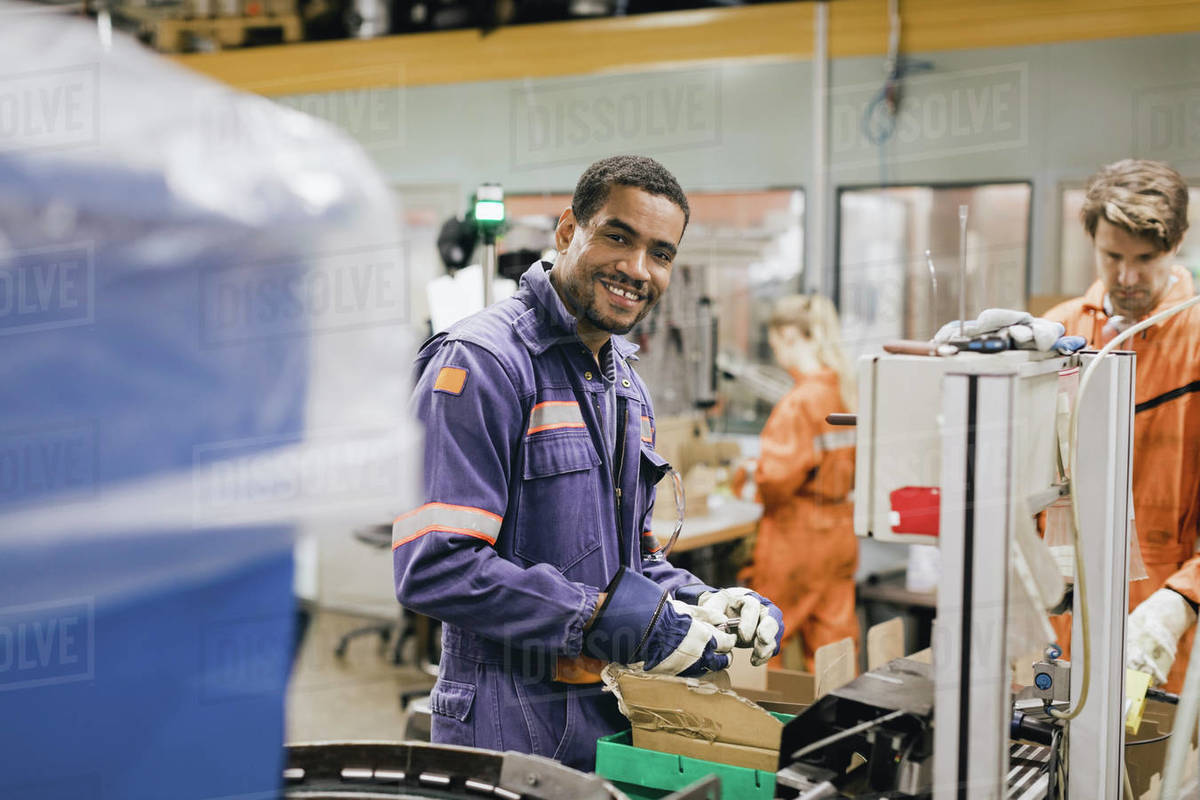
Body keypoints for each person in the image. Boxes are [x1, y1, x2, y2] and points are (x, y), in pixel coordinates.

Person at [392, 155, 784, 771]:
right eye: (619, 238)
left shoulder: (623, 384)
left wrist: (702, 602)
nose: (638, 269)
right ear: (568, 230)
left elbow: (630, 565)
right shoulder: (482, 363)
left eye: (661, 253)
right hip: (505, 718)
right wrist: (611, 619)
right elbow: (436, 567)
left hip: (609, 713)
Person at [1045, 158, 1200, 692]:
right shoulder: (1059, 333)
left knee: (1151, 743)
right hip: (1065, 615)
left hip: (1166, 623)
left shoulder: (1196, 342)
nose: (1128, 278)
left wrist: (1181, 602)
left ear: (1176, 245)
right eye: (1113, 256)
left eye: (1146, 258)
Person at [737, 295, 859, 672]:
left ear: (790, 336)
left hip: (797, 539)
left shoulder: (799, 403)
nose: (777, 354)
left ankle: (759, 713)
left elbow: (775, 480)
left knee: (763, 639)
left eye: (775, 344)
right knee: (835, 650)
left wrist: (744, 477)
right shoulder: (844, 392)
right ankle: (843, 710)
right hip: (840, 532)